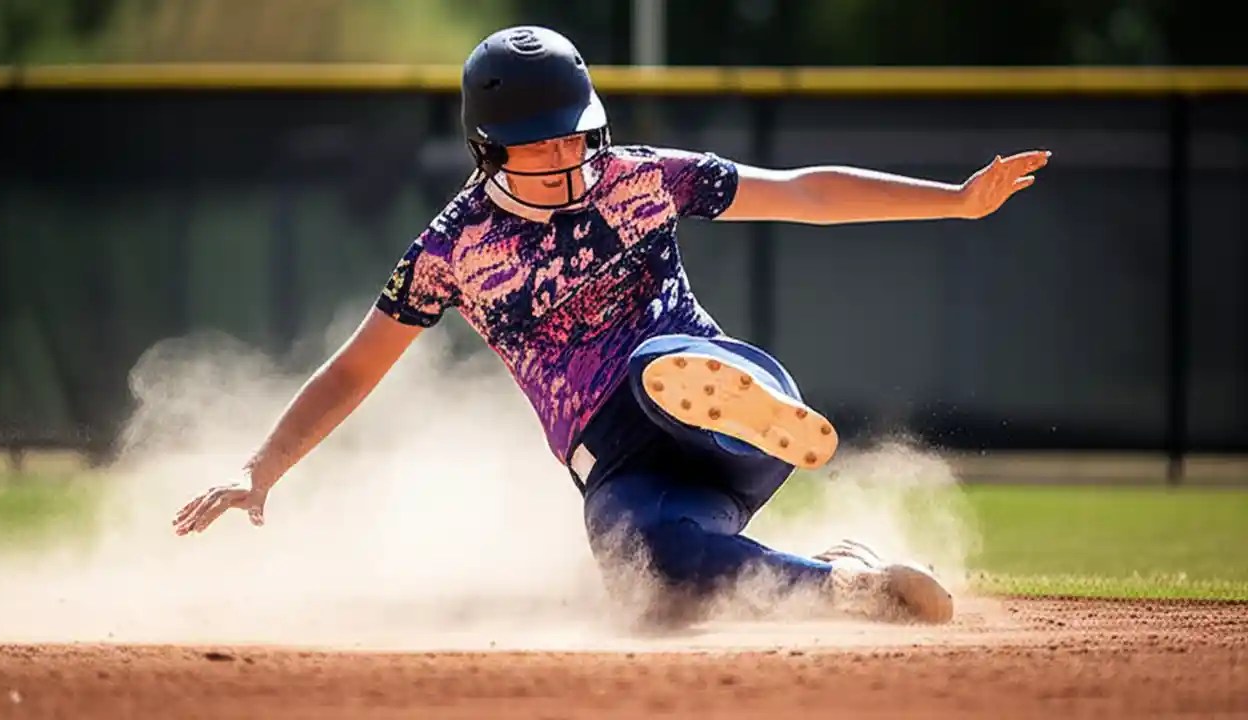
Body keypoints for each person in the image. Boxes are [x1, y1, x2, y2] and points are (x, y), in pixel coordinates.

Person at [173, 26, 1049, 627]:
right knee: (651, 574)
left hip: (706, 394)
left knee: (657, 370)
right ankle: (853, 584)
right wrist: (260, 471)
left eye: (575, 135)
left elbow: (802, 191)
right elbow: (355, 370)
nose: (567, 154)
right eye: (540, 141)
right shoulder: (450, 247)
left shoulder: (641, 179)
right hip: (619, 462)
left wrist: (958, 203)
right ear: (488, 148)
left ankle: (745, 404)